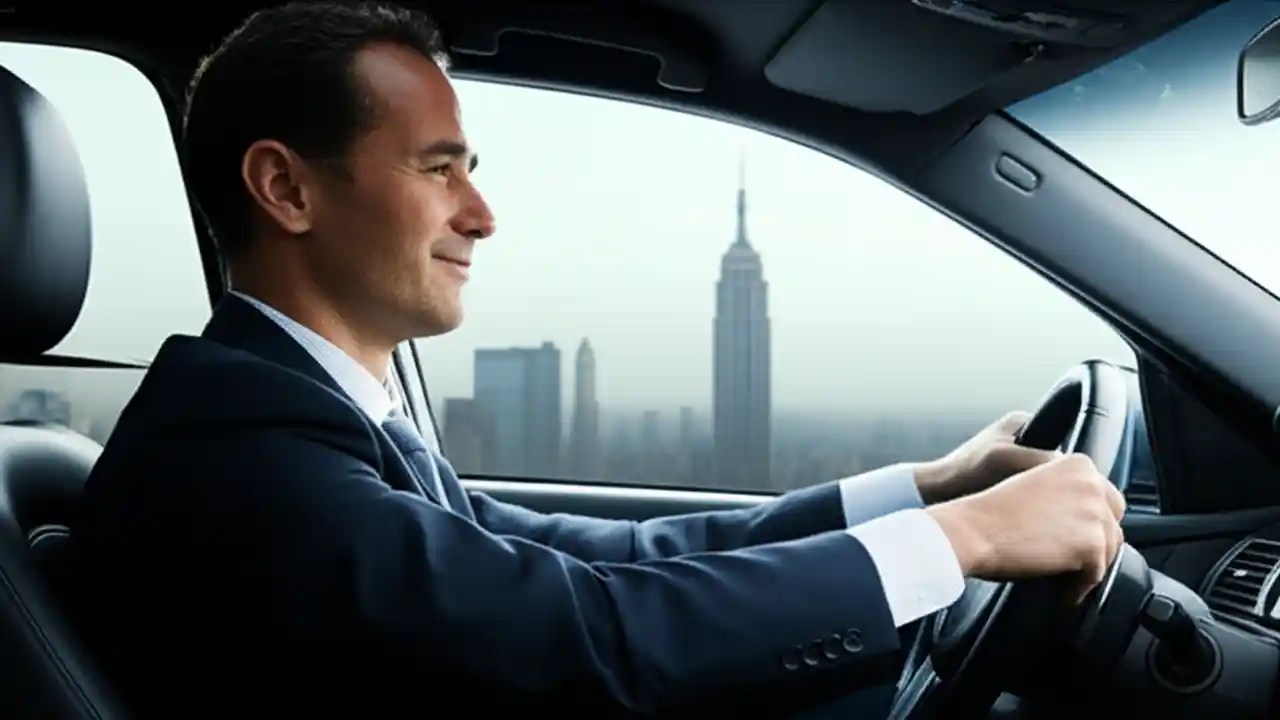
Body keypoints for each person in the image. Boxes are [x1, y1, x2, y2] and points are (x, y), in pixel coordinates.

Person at [70, 2, 1126, 717]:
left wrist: (921, 494)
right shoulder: (241, 456)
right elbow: (588, 637)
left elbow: (611, 558)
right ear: (288, 191)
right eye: (438, 171)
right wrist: (962, 540)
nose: (480, 216)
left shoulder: (310, 413)